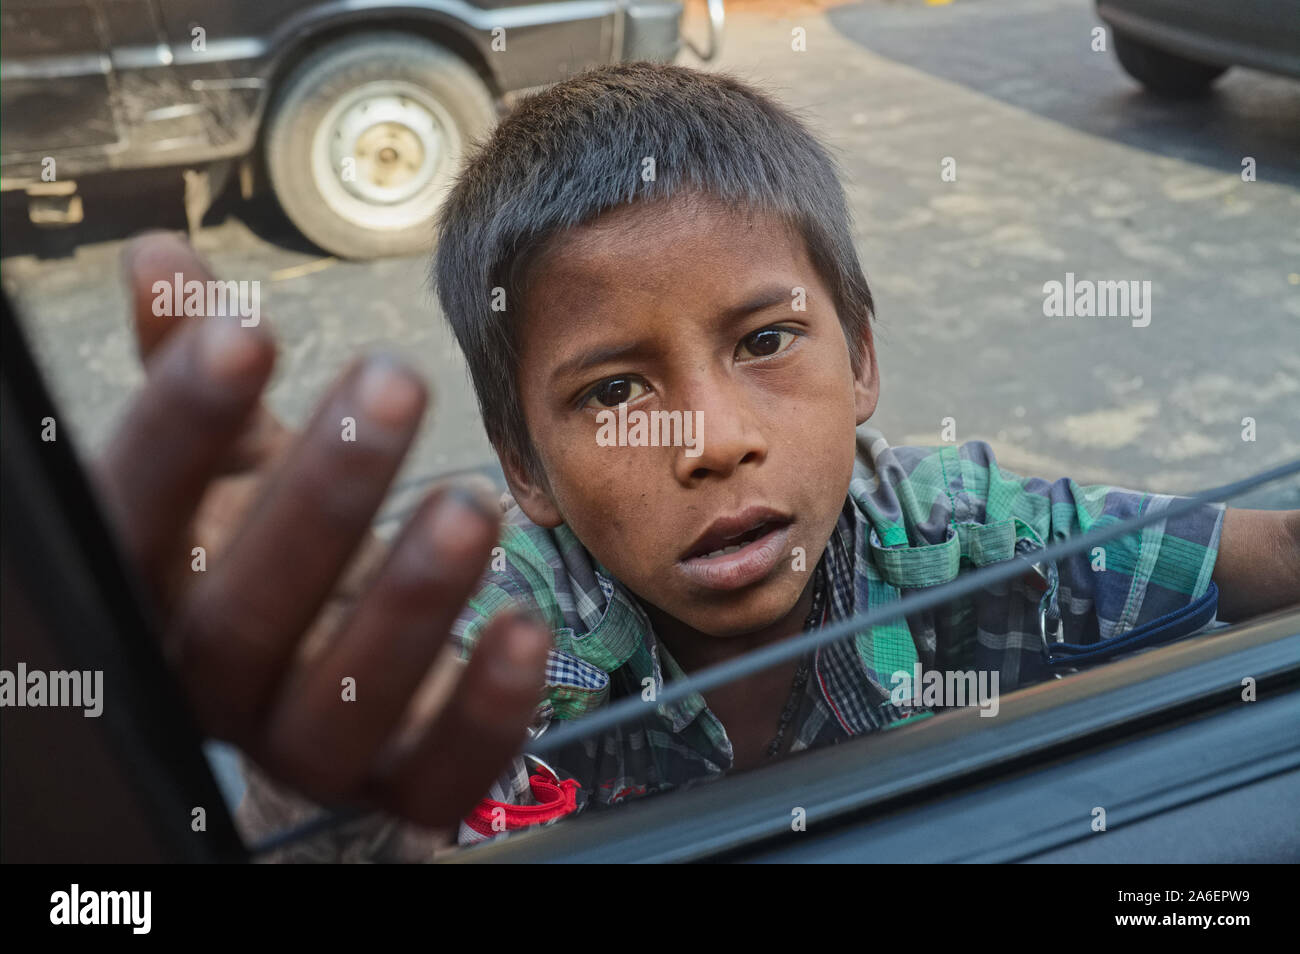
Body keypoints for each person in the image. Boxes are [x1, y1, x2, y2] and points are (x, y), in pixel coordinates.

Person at [111, 63, 1298, 861]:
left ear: (864, 360)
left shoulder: (953, 526)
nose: (715, 440)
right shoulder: (496, 643)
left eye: (767, 341)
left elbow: (1264, 556)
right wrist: (315, 780)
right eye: (613, 390)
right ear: (525, 466)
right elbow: (363, 793)